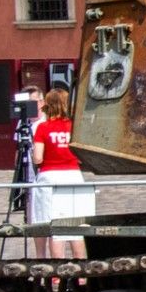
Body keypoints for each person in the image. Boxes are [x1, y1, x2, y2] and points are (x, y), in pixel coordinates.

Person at [29, 83, 93, 258]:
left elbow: (38, 158)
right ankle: (81, 274)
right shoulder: (74, 127)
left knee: (55, 227)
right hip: (73, 175)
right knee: (76, 227)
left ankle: (58, 274)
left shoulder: (43, 127)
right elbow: (83, 155)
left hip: (50, 176)